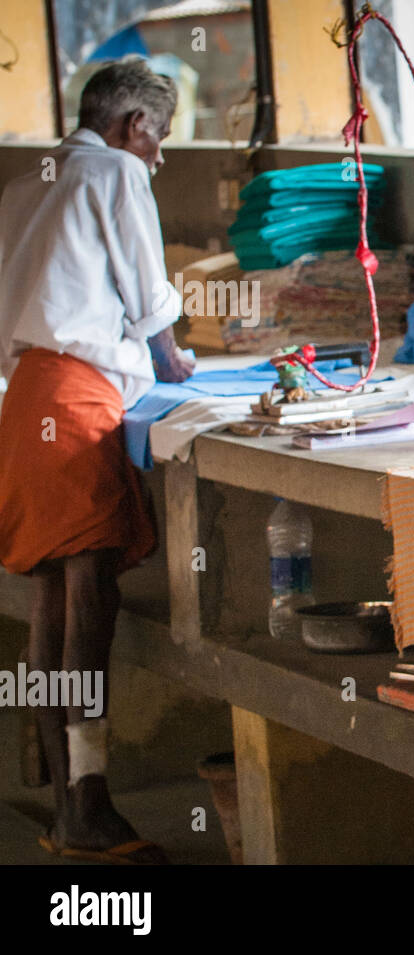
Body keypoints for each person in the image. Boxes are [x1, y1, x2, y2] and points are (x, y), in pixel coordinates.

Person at [0, 57, 193, 864]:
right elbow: (149, 297)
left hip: (25, 395)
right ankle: (87, 806)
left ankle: (69, 803)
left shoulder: (25, 183)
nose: (157, 159)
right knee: (88, 594)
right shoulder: (114, 169)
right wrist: (174, 359)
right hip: (76, 396)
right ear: (135, 125)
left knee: (53, 594)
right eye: (161, 142)